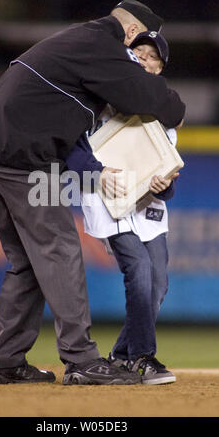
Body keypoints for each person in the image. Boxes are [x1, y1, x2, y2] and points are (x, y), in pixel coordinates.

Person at [0, 0, 185, 386]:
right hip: (25, 156)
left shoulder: (82, 39)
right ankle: (82, 358)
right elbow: (148, 99)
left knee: (27, 261)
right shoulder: (102, 45)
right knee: (60, 248)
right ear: (133, 33)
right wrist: (175, 106)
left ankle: (4, 360)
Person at [66, 31, 183, 385]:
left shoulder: (163, 117)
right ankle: (143, 357)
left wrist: (166, 185)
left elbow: (167, 177)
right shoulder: (97, 100)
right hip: (105, 197)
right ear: (126, 58)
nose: (145, 60)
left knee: (158, 283)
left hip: (145, 204)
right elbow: (73, 151)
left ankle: (121, 355)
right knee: (140, 269)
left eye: (153, 58)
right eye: (139, 53)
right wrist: (96, 173)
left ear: (159, 70)